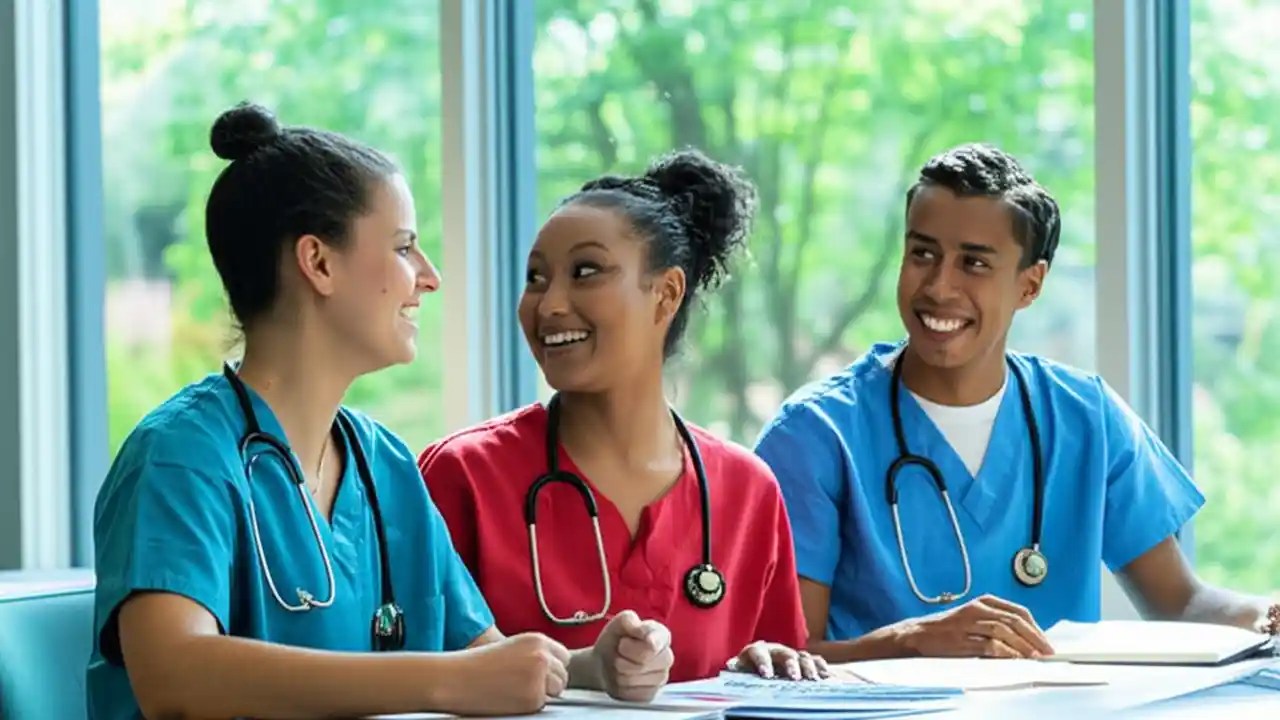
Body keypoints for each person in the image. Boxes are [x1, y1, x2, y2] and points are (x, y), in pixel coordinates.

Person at [87, 102, 673, 720]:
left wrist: (587, 667)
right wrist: (443, 682)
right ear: (318, 263)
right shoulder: (181, 455)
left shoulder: (381, 462)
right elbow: (175, 677)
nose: (429, 277)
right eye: (404, 248)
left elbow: (480, 656)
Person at [753, 142, 1280, 663]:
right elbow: (784, 658)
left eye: (974, 264)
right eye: (922, 253)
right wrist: (911, 639)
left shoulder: (1085, 417)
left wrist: (1263, 616)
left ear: (1031, 285)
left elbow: (1183, 603)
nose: (939, 286)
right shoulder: (816, 435)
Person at [418, 149, 828, 683]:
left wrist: (769, 666)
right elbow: (416, 677)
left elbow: (779, 667)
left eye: (585, 272)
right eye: (536, 278)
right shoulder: (464, 475)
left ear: (666, 294)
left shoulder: (748, 492)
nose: (549, 304)